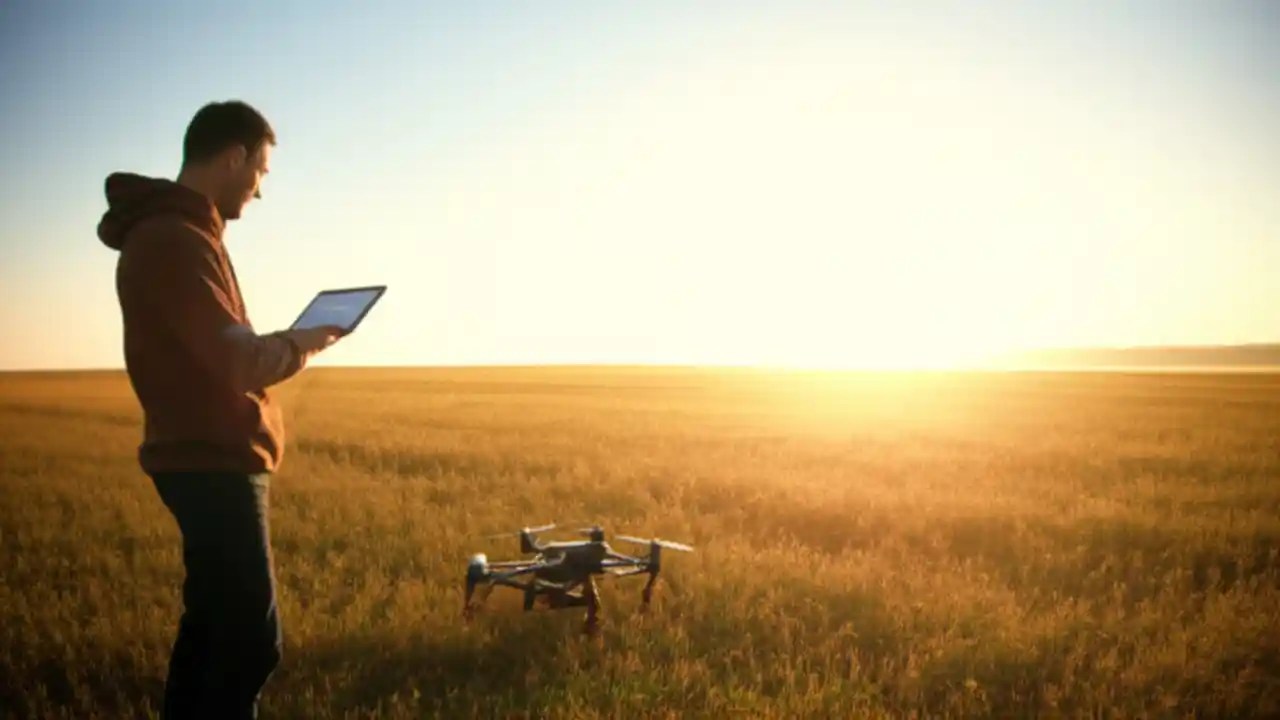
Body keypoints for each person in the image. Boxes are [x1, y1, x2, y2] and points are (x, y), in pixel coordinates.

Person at [97, 100, 342, 718]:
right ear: (234, 158)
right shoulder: (176, 240)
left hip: (201, 455)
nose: (259, 190)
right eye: (260, 171)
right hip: (213, 460)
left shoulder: (180, 234)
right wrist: (304, 343)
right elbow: (239, 363)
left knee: (210, 629)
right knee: (249, 643)